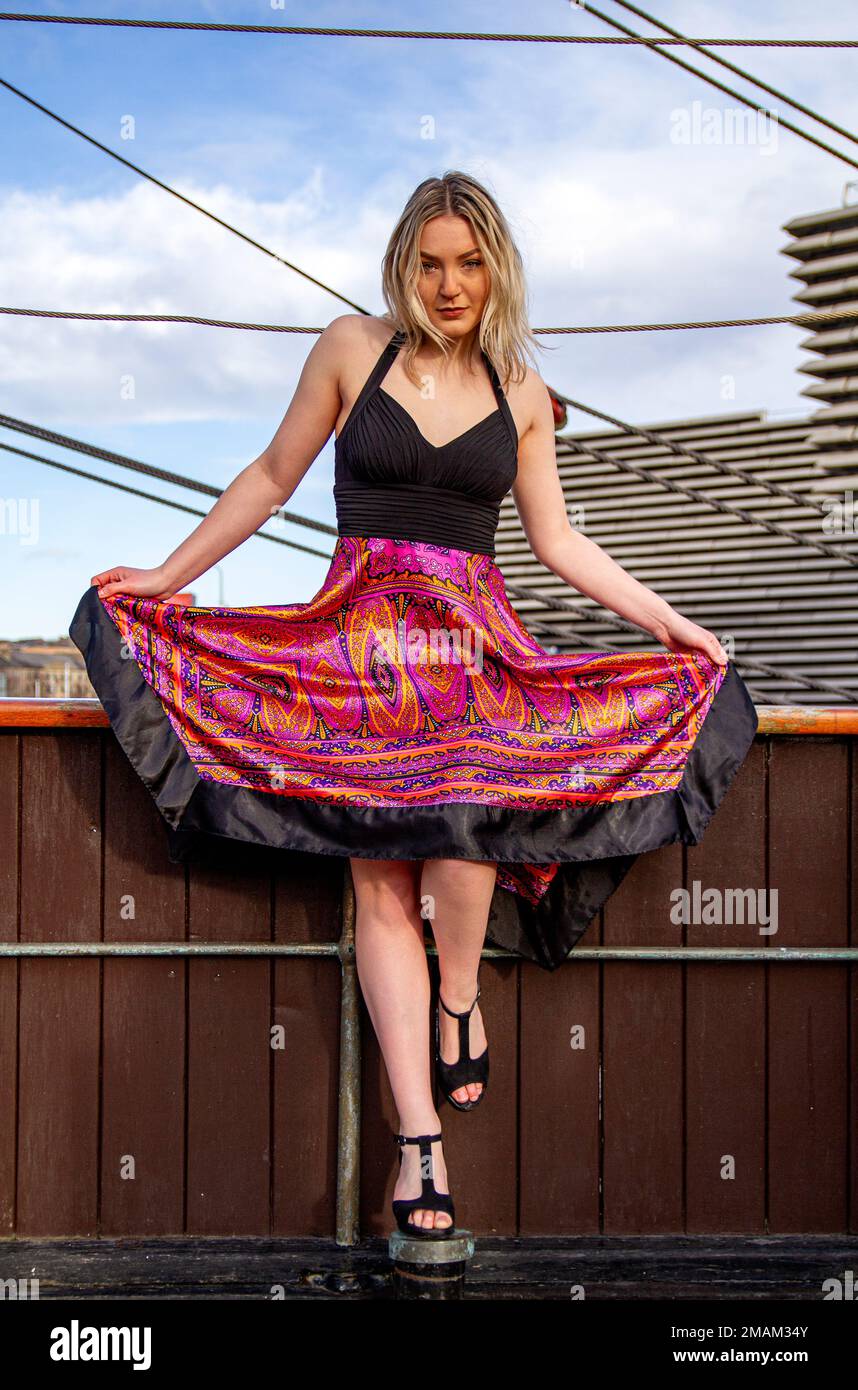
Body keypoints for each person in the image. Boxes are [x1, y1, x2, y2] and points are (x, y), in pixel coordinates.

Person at [69, 171, 758, 1240]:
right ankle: (417, 1147)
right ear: (406, 263)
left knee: (470, 831)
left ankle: (457, 995)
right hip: (353, 655)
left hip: (473, 656)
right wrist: (166, 577)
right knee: (380, 887)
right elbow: (269, 473)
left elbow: (558, 539)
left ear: (496, 269)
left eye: (469, 263)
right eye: (431, 262)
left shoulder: (522, 390)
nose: (449, 283)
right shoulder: (351, 348)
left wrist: (671, 623)